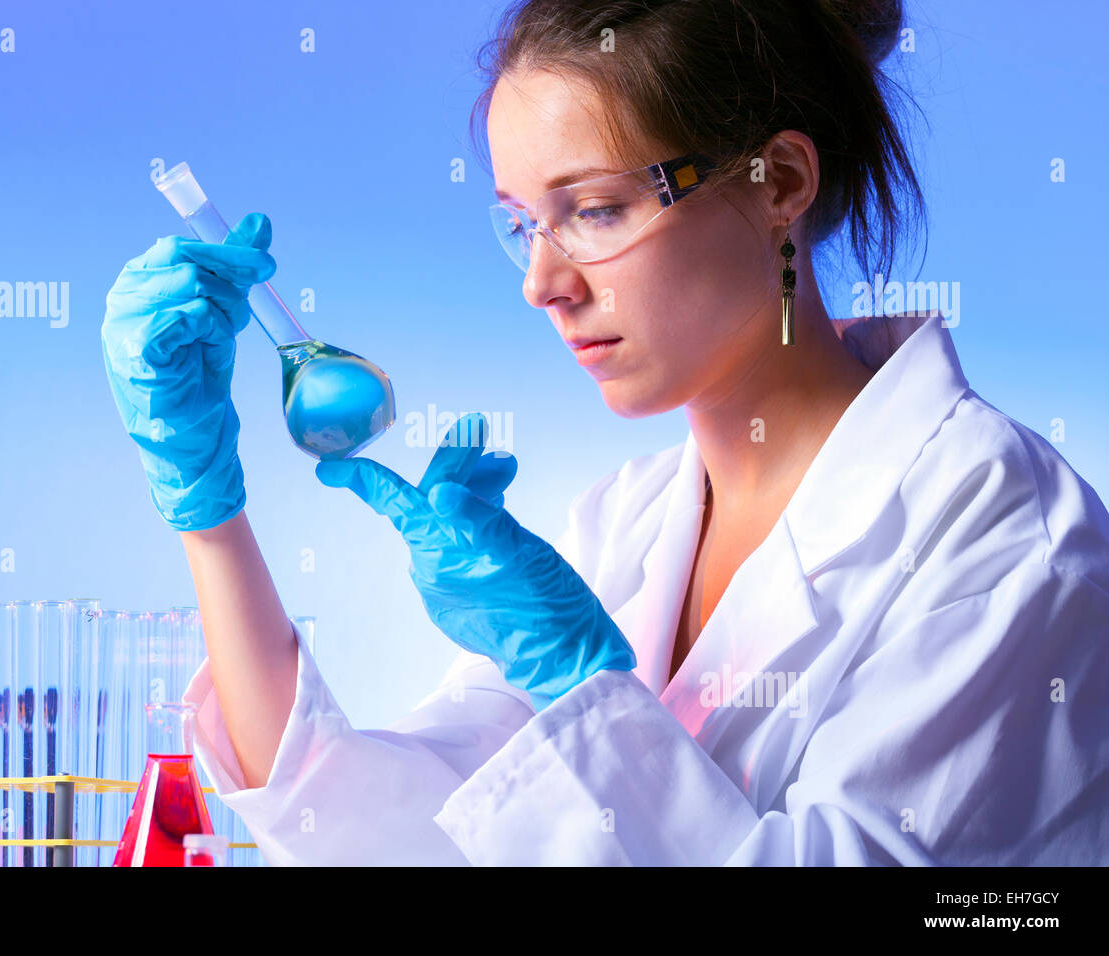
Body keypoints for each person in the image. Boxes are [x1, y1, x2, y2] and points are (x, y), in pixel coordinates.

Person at [99, 0, 1109, 865]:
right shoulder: (622, 524)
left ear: (779, 184)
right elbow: (400, 833)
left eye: (593, 209)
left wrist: (582, 685)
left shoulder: (1006, 538)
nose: (543, 283)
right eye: (521, 223)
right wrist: (207, 507)